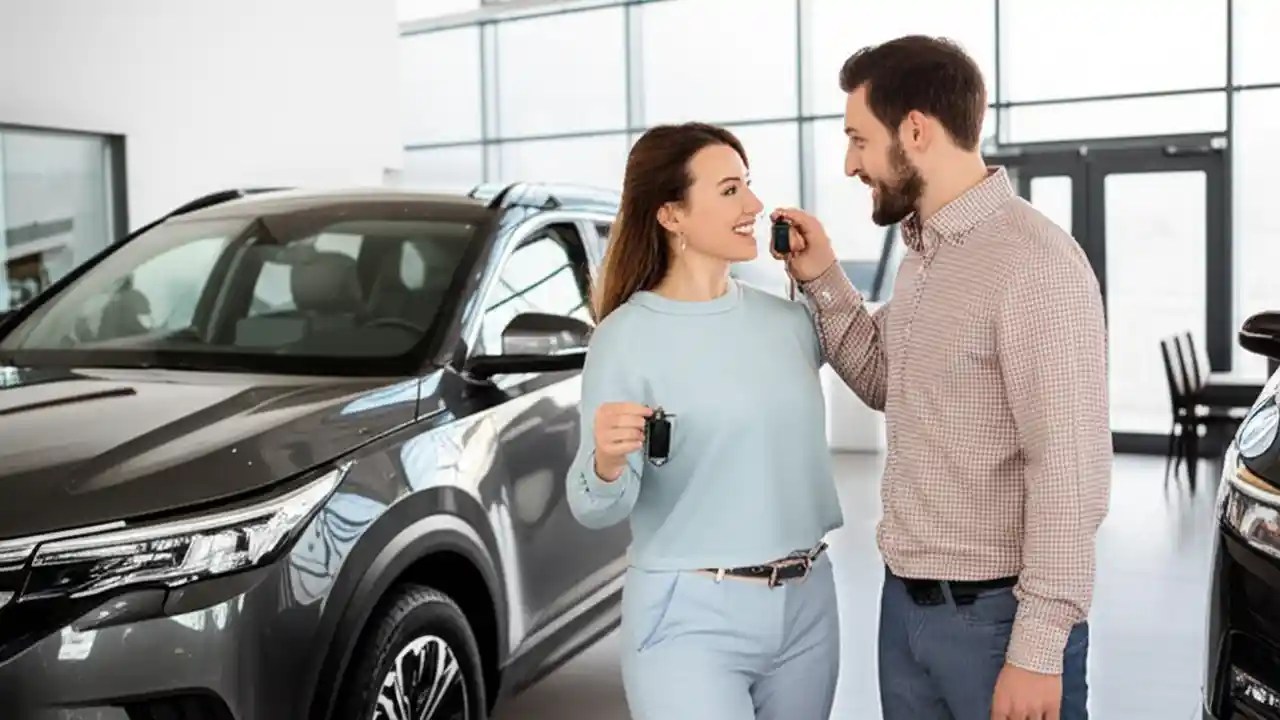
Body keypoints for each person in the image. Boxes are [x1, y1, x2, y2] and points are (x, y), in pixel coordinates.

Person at [771, 35, 1112, 720]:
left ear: (916, 130)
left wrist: (1038, 650)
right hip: (906, 611)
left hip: (996, 625)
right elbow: (881, 378)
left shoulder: (1033, 264)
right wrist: (823, 278)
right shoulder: (926, 258)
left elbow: (1070, 474)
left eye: (859, 140)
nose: (849, 164)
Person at [565, 122, 843, 720]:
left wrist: (821, 278)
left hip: (808, 604)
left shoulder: (789, 322)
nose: (754, 205)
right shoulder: (623, 339)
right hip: (689, 613)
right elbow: (596, 509)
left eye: (748, 186)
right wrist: (606, 463)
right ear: (672, 215)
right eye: (729, 190)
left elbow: (877, 372)